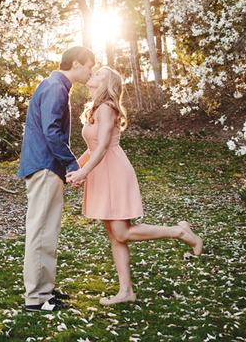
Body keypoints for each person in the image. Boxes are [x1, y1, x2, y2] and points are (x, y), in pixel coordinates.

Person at [66, 67, 203, 306]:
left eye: (98, 72)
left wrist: (83, 173)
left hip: (113, 171)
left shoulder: (107, 107)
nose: (92, 74)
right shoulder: (97, 108)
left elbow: (104, 146)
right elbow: (92, 148)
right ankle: (126, 291)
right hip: (101, 170)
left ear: (106, 82)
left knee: (121, 232)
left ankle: (179, 232)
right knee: (115, 236)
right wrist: (74, 169)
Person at [18, 46, 96, 313]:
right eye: (89, 66)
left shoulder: (55, 86)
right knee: (41, 231)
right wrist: (72, 165)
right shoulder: (55, 88)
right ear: (76, 64)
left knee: (47, 231)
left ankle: (44, 291)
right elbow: (52, 133)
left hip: (46, 166)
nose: (90, 72)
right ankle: (35, 298)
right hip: (44, 167)